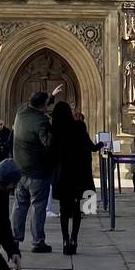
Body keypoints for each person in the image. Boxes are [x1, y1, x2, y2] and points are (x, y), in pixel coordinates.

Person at [11, 87, 63, 253]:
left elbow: (36, 105)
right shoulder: (41, 121)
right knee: (38, 206)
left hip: (20, 170)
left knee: (19, 205)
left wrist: (51, 96)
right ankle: (38, 241)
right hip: (37, 171)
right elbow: (49, 143)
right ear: (42, 108)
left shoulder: (21, 112)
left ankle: (15, 239)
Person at [50, 100, 96, 255]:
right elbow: (89, 147)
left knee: (64, 209)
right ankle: (74, 239)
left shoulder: (55, 130)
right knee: (76, 208)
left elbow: (50, 152)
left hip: (62, 175)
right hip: (77, 174)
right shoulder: (79, 126)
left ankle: (65, 240)